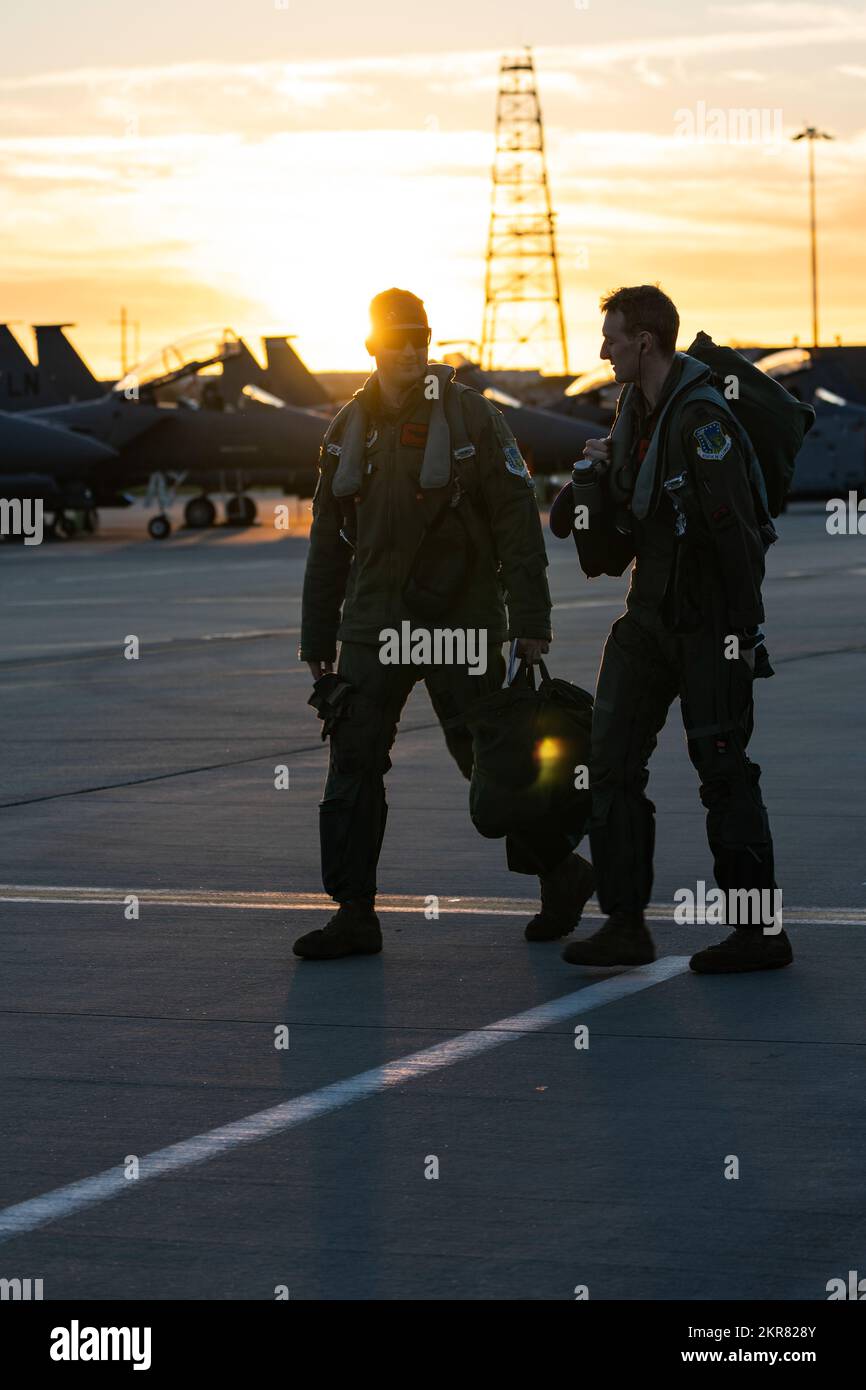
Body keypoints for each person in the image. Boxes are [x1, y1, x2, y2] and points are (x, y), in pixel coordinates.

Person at [294, 287, 594, 959]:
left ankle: (561, 873)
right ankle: (354, 913)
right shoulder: (347, 429)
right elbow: (326, 544)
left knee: (493, 763)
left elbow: (518, 522)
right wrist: (318, 640)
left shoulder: (474, 421)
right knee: (353, 761)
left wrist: (531, 619)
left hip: (462, 619)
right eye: (396, 339)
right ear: (372, 345)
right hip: (373, 626)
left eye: (419, 339)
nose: (407, 350)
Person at [559, 284, 791, 974]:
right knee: (610, 762)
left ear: (646, 342)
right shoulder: (637, 415)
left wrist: (742, 632)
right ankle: (625, 923)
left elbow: (736, 533)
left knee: (722, 770)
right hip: (649, 615)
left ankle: (759, 934)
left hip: (708, 622)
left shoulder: (700, 422)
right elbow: (624, 537)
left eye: (612, 336)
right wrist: (590, 484)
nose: (603, 349)